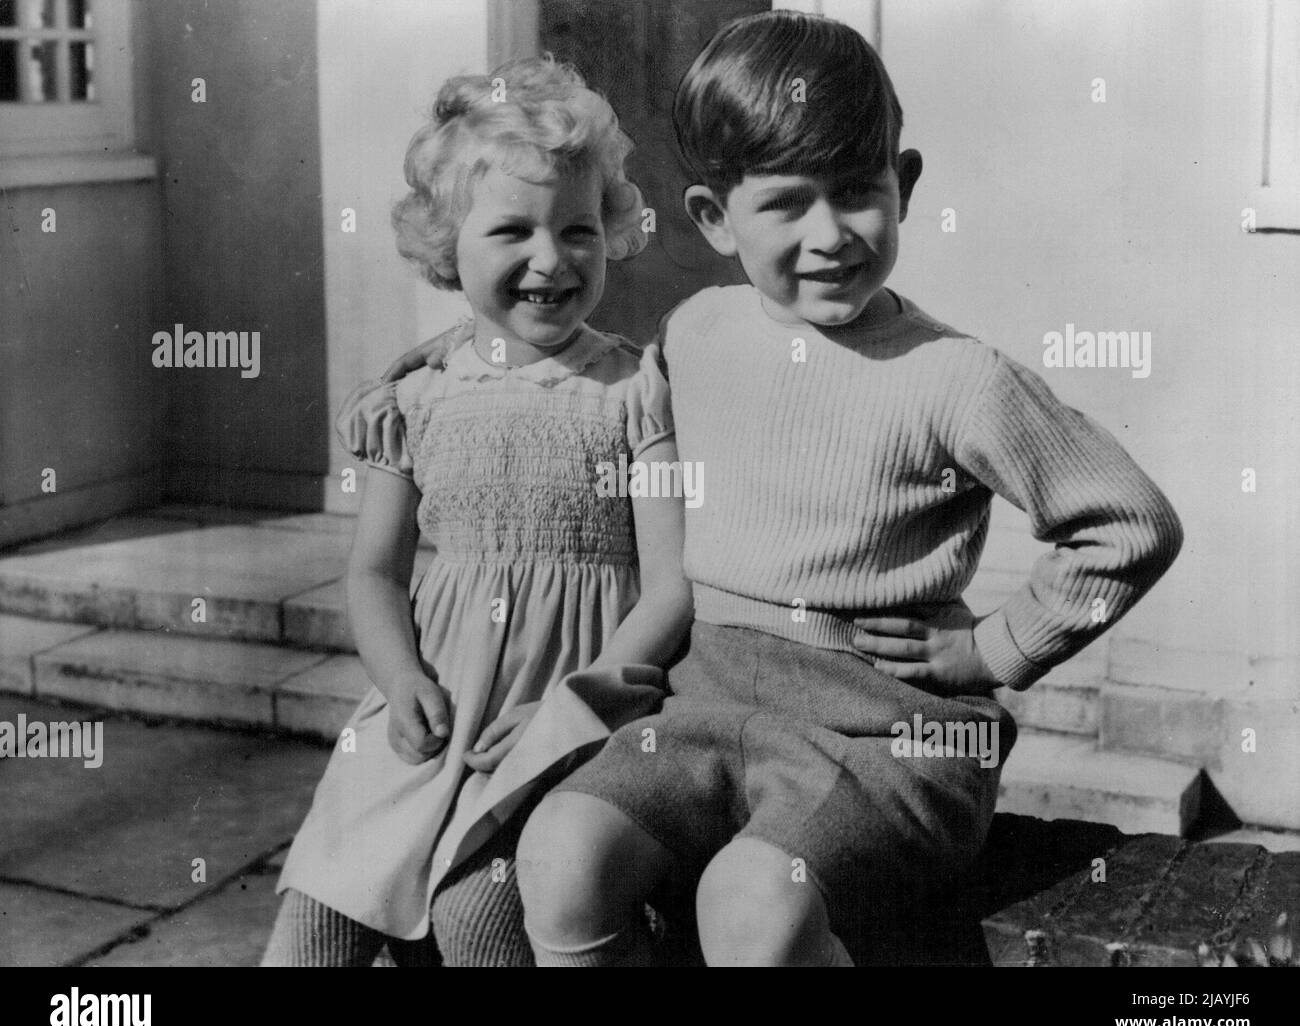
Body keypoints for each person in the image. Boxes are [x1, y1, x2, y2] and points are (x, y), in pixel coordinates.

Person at [504, 10, 1184, 966]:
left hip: (888, 739)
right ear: (713, 218)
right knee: (561, 853)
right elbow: (617, 436)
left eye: (858, 192)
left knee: (752, 908)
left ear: (902, 187)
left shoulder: (954, 377)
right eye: (785, 204)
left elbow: (1131, 520)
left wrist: (992, 647)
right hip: (707, 710)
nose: (829, 235)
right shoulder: (694, 334)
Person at [262, 56, 692, 966]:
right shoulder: (415, 398)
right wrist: (401, 675)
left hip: (564, 719)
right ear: (446, 246)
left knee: (478, 912)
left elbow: (669, 587)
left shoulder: (635, 392)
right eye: (511, 231)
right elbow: (375, 570)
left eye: (579, 229)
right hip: (431, 705)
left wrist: (569, 709)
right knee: (316, 914)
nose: (551, 258)